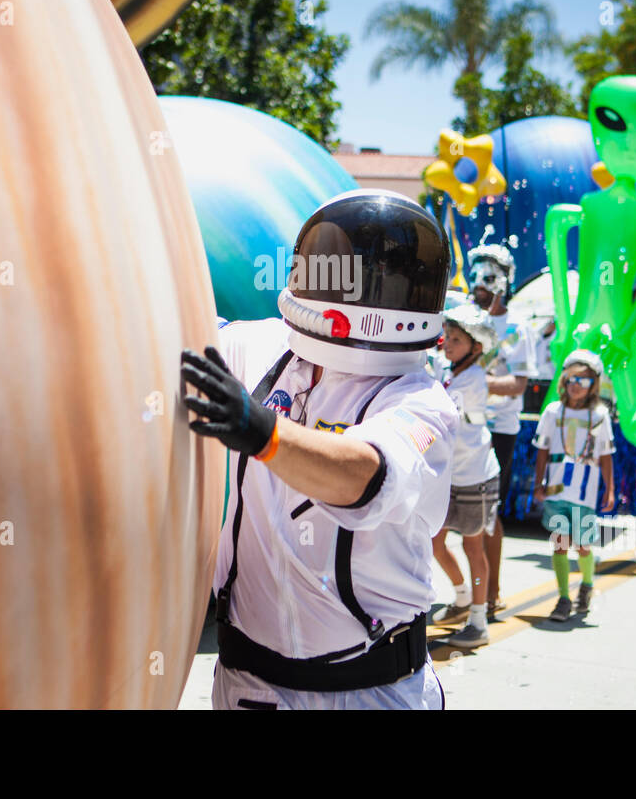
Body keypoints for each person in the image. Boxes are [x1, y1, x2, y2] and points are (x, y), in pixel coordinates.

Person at [181, 190, 457, 709]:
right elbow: (167, 335)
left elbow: (365, 476)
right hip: (248, 686)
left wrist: (266, 434)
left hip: (369, 692)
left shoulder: (421, 401)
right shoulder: (261, 348)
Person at [464, 244, 538, 617]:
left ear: (504, 281)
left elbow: (519, 384)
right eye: (475, 276)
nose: (478, 285)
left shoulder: (517, 327)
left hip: (499, 430)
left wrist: (477, 383)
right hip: (462, 427)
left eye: (487, 278)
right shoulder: (463, 318)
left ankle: (491, 593)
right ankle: (466, 594)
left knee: (488, 513)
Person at [429, 303, 501, 649]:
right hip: (450, 475)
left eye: (457, 339)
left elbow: (443, 408)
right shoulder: (448, 370)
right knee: (434, 541)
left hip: (475, 475)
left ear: (476, 348)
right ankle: (460, 599)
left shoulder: (470, 379)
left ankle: (478, 619)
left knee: (473, 546)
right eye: (448, 337)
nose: (448, 343)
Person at [533, 349, 615, 621]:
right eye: (572, 379)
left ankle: (587, 584)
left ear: (595, 384)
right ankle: (564, 598)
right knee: (559, 543)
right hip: (557, 491)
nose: (576, 385)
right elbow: (542, 450)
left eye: (584, 380)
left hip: (585, 494)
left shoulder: (600, 415)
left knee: (582, 545)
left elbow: (605, 455)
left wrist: (610, 489)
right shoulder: (552, 411)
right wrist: (539, 483)